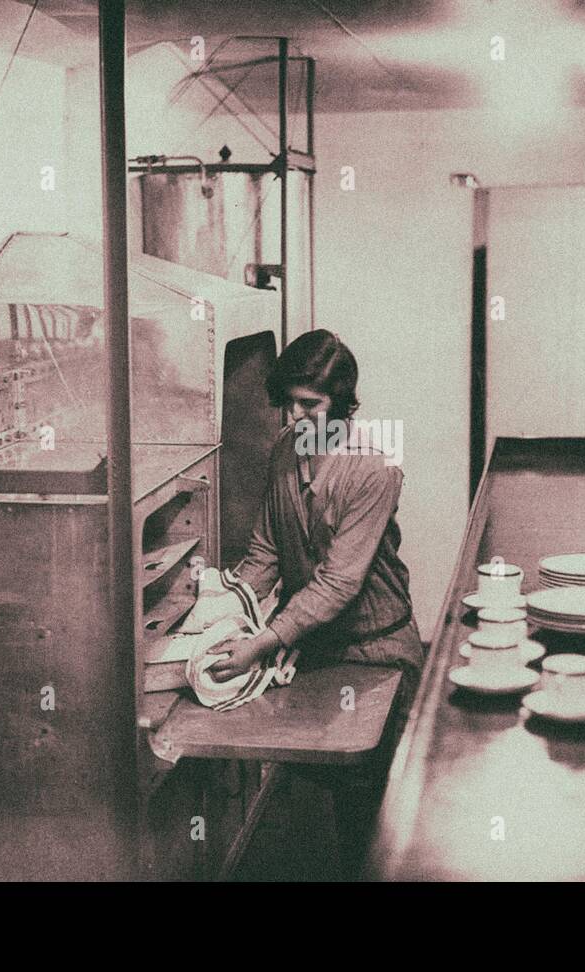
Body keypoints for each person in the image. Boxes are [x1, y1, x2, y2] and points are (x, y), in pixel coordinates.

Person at [207, 329, 424, 878]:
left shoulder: (374, 466)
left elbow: (337, 584)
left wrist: (262, 641)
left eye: (312, 404)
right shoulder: (285, 452)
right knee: (328, 795)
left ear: (343, 402)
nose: (296, 417)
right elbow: (265, 551)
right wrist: (219, 609)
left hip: (376, 652)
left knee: (372, 809)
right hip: (315, 647)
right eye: (290, 403)